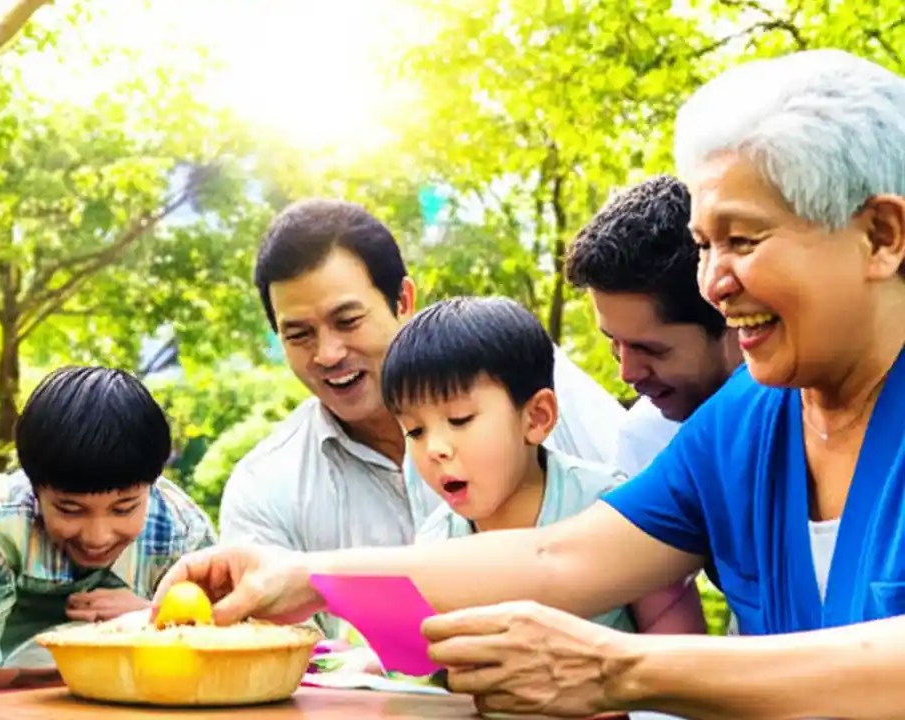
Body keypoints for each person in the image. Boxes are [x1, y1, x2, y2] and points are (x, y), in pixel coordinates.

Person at [155, 48, 905, 718]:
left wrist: (617, 671)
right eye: (704, 245)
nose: (714, 281)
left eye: (742, 240)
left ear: (881, 237)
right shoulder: (743, 422)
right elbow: (561, 558)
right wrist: (307, 577)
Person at [220, 199, 625, 557]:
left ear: (403, 301)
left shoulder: (519, 372)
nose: (328, 354)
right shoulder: (265, 489)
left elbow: (646, 509)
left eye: (348, 321)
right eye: (299, 335)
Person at [392, 297, 704, 636]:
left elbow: (677, 637)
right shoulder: (435, 545)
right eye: (416, 431)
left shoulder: (611, 507)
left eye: (460, 419)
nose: (435, 449)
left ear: (537, 417)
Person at [0, 366, 217, 693]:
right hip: (28, 684)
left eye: (124, 508)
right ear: (35, 490)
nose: (97, 537)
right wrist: (82, 673)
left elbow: (220, 646)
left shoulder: (182, 532)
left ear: (152, 485)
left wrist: (151, 617)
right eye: (70, 510)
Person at [566, 175, 742, 477]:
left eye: (649, 349)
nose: (628, 373)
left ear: (727, 316)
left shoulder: (806, 415)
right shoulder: (644, 442)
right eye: (615, 344)